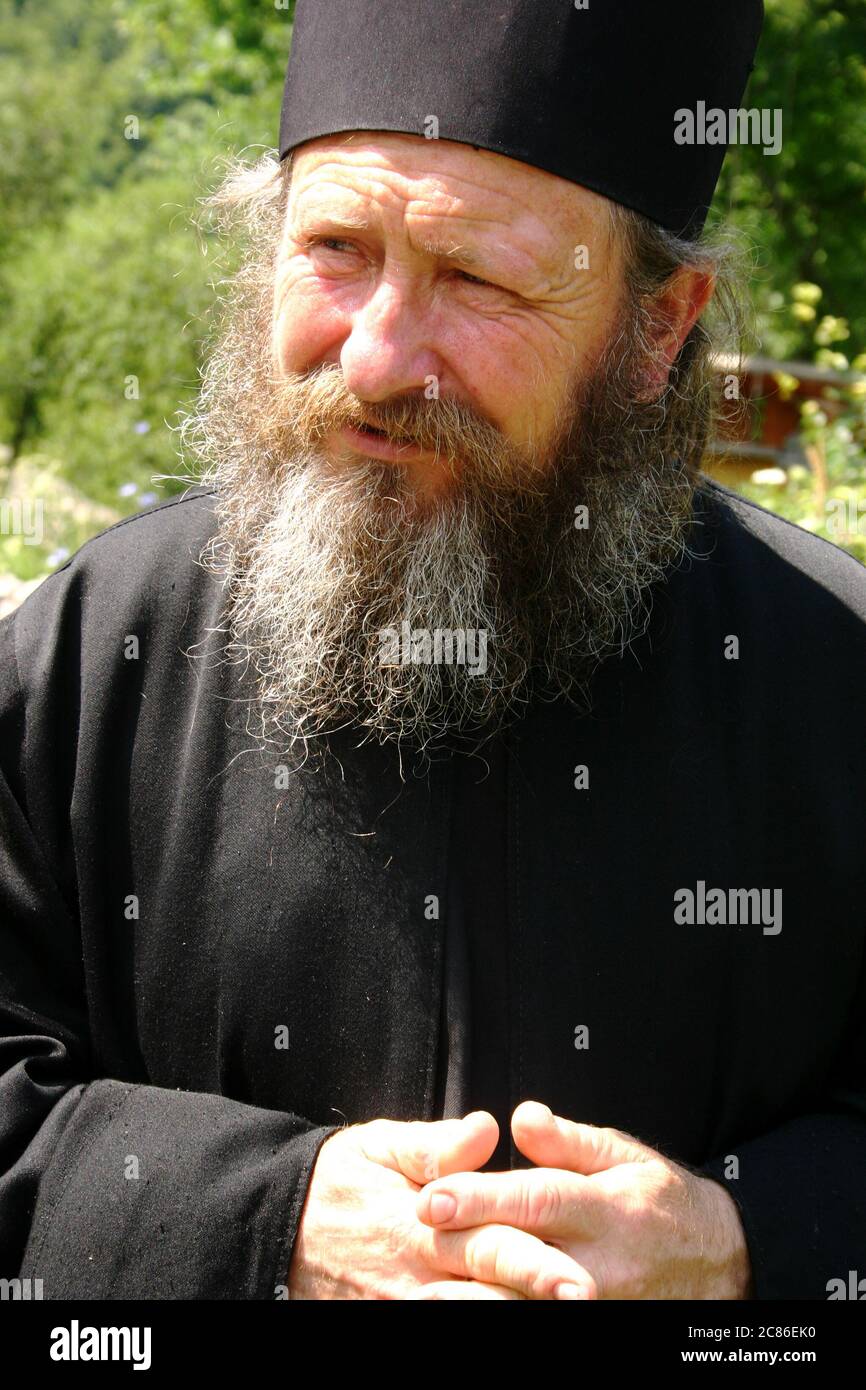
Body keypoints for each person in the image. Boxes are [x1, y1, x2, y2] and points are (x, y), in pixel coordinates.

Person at [2, 0, 864, 1301]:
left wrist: (753, 1242)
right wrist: (260, 1220)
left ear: (658, 328)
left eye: (476, 279)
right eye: (337, 249)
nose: (375, 353)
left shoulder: (831, 674)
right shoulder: (90, 651)